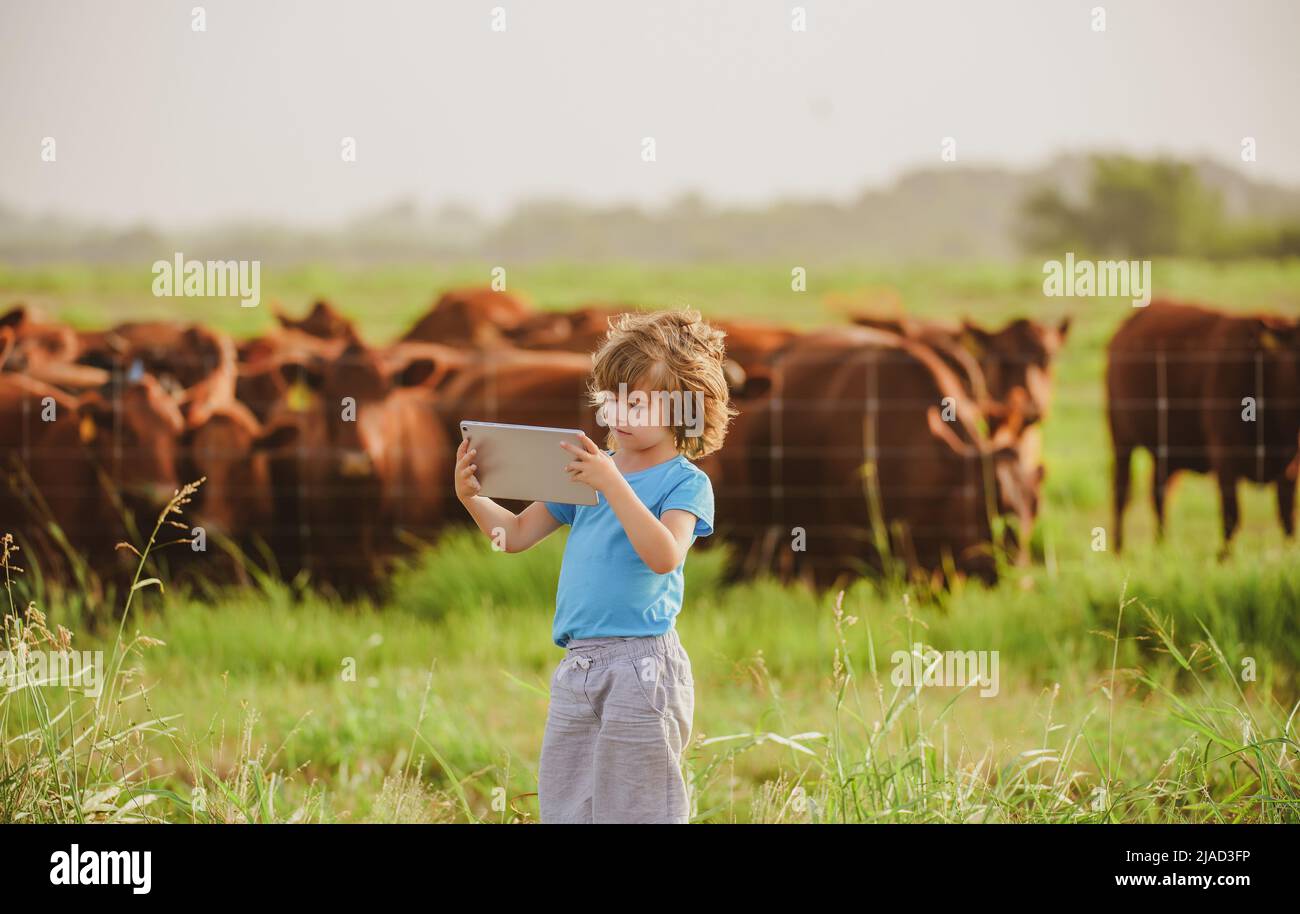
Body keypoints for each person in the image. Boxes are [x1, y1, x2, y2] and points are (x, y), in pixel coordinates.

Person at [453, 308, 736, 823]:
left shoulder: (685, 483)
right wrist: (472, 498)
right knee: (567, 803)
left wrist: (611, 485)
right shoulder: (589, 473)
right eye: (612, 399)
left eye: (638, 402)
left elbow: (664, 555)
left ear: (685, 409)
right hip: (578, 665)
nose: (618, 413)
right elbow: (513, 536)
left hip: (642, 667)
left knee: (640, 807)